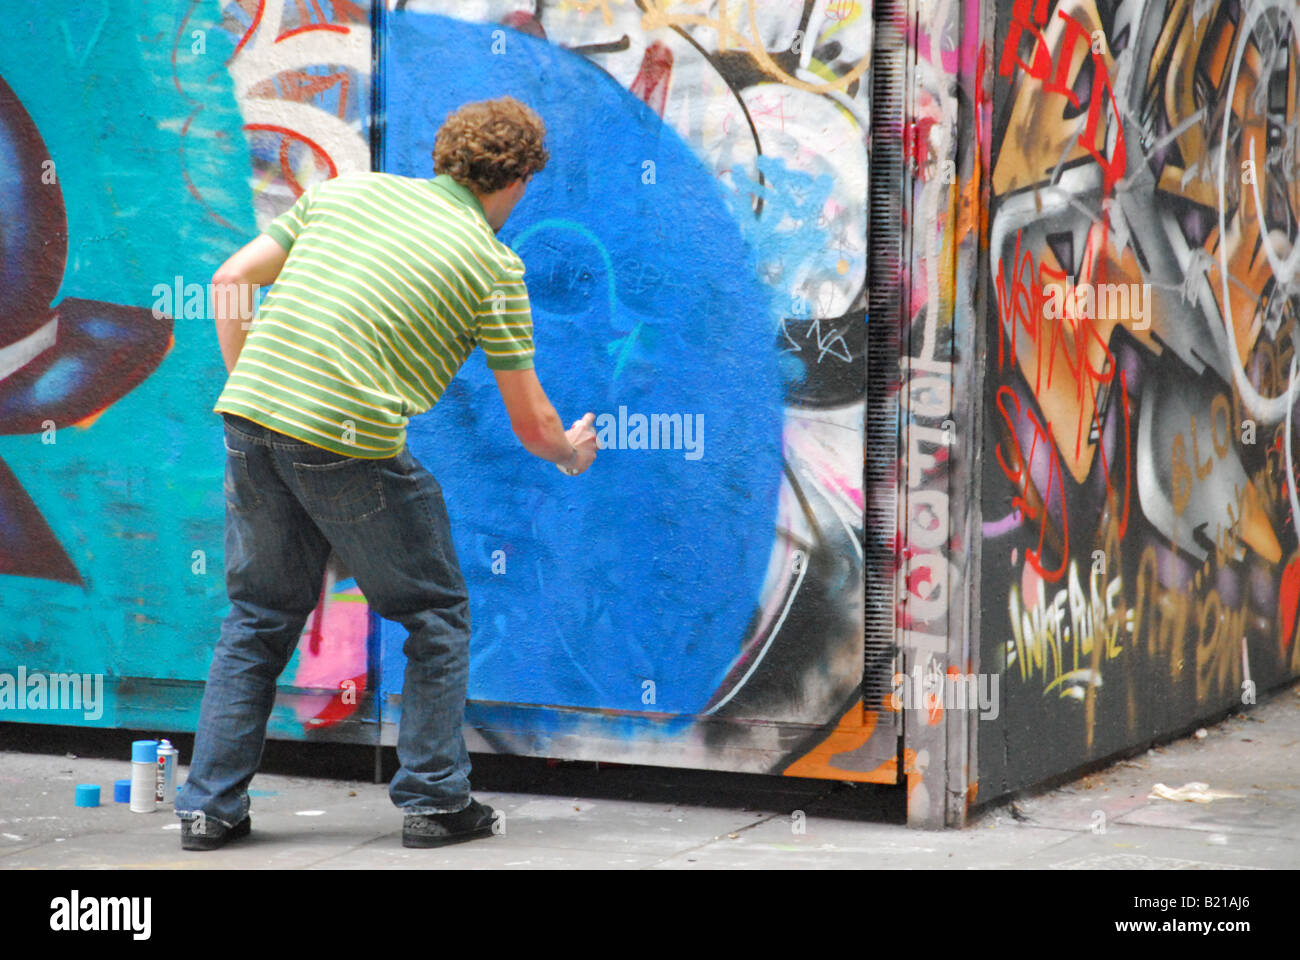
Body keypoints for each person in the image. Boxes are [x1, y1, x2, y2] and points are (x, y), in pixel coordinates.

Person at [175, 96, 597, 851]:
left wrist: (254, 390)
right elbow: (533, 425)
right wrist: (569, 450)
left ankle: (209, 809)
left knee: (257, 618)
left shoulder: (347, 192)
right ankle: (436, 800)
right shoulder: (493, 267)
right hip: (346, 443)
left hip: (253, 419)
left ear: (447, 158)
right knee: (435, 614)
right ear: (517, 182)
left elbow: (231, 276)